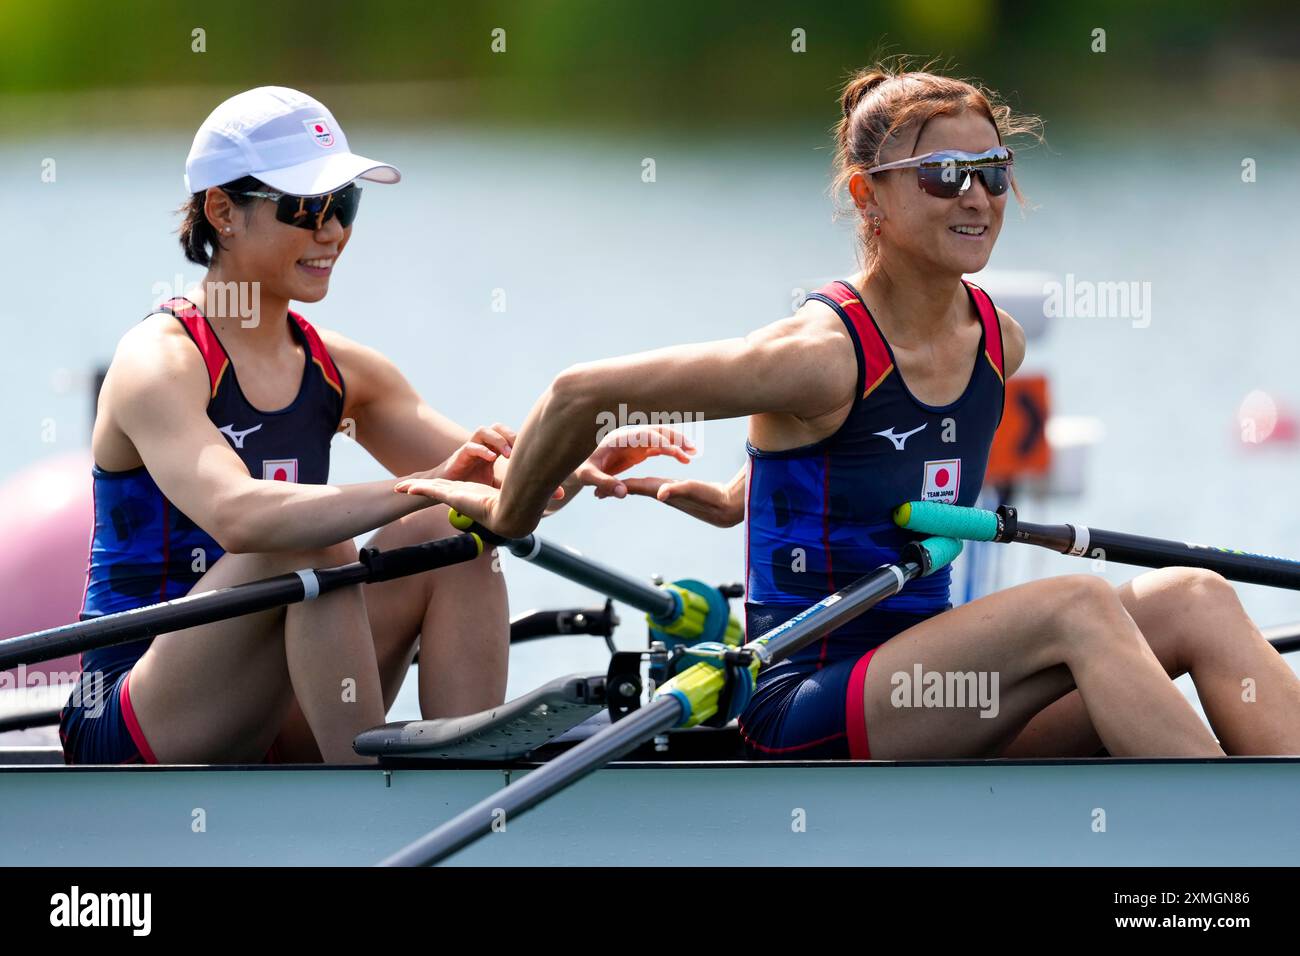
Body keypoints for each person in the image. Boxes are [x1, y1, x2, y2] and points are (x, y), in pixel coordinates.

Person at [396, 64, 1300, 759]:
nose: (978, 195)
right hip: (804, 694)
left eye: (991, 169)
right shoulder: (817, 355)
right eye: (944, 173)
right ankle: (1225, 841)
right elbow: (576, 394)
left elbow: (856, 461)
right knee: (1076, 606)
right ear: (869, 194)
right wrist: (510, 515)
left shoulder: (1000, 342)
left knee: (1194, 596)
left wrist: (742, 490)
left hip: (943, 684)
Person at [59, 86, 688, 766]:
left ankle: (471, 784)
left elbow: (491, 489)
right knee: (314, 543)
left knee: (453, 530)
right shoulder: (158, 362)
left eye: (345, 205)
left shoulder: (343, 370)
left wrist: (569, 461)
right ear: (223, 211)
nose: (332, 231)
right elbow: (240, 516)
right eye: (306, 208)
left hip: (279, 698)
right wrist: (421, 486)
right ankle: (366, 793)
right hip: (136, 712)